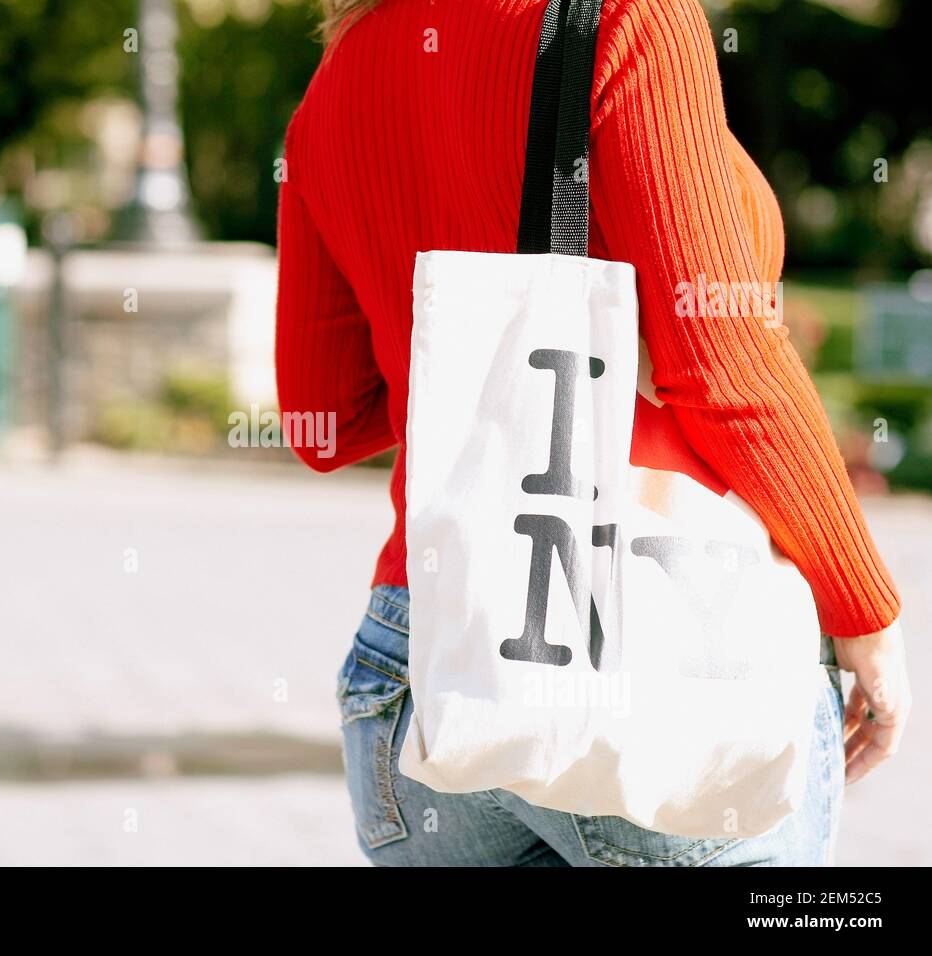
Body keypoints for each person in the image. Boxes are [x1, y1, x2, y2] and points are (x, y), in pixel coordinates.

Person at [275, 0, 912, 866]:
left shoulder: (343, 67)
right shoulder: (629, 17)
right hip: (648, 650)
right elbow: (724, 363)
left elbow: (325, 418)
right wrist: (864, 608)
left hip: (423, 662)